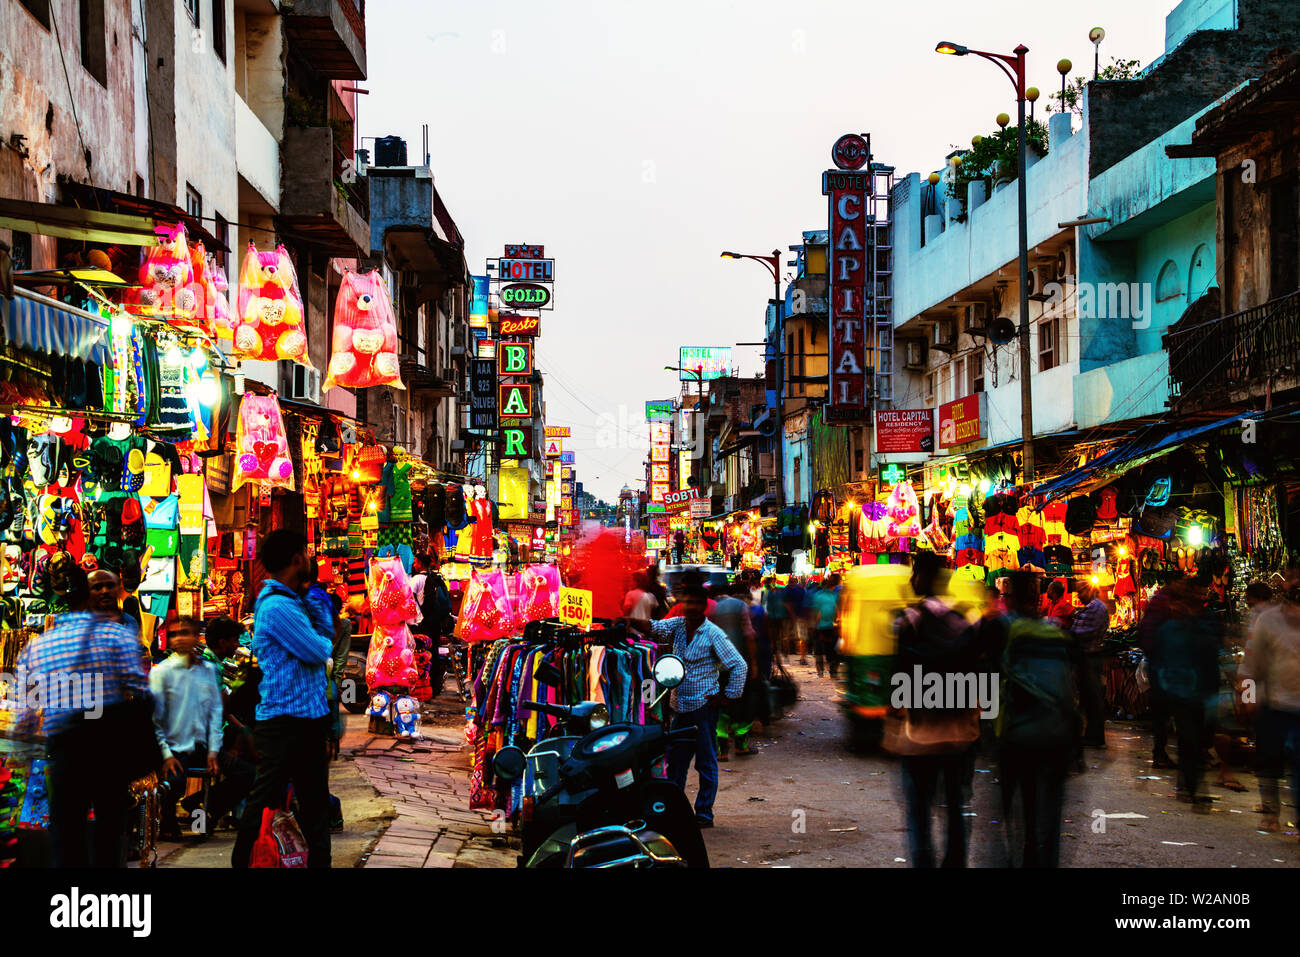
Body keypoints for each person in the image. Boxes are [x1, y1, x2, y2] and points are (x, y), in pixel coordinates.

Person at [15, 564, 150, 867]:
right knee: (108, 830)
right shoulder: (115, 636)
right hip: (106, 746)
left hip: (62, 747)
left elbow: (26, 711)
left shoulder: (40, 644)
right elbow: (139, 687)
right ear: (88, 598)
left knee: (66, 830)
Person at [231, 530, 335, 869]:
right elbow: (319, 650)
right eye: (305, 553)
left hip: (304, 717)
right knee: (267, 798)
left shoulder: (291, 601)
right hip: (287, 720)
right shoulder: (278, 606)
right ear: (295, 560)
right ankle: (243, 859)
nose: (309, 559)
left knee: (313, 802)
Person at [624, 582, 745, 827]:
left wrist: (727, 696)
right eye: (687, 602)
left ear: (704, 607)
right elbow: (655, 627)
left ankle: (704, 813)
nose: (691, 607)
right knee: (676, 765)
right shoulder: (677, 626)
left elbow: (738, 665)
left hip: (703, 709)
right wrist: (626, 619)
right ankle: (675, 809)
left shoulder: (713, 634)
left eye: (696, 603)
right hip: (679, 707)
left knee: (706, 763)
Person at [892, 553, 979, 868]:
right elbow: (980, 679)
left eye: (914, 574)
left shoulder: (909, 621)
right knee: (956, 806)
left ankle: (924, 863)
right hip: (958, 738)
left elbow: (898, 684)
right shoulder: (963, 620)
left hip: (920, 738)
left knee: (919, 811)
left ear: (921, 579)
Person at [995, 571, 1081, 868]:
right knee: (1048, 817)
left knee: (1011, 811)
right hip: (1056, 736)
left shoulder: (1004, 630)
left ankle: (1014, 857)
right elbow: (1072, 686)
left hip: (1018, 735)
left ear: (1012, 598)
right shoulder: (1056, 632)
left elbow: (989, 682)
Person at [1148, 576, 1221, 806]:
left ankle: (1189, 784)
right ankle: (1190, 786)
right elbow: (1159, 657)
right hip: (1182, 691)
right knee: (1190, 738)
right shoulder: (1172, 628)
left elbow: (1211, 653)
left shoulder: (1202, 623)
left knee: (1198, 739)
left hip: (1200, 690)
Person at [150, 617, 223, 840]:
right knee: (174, 783)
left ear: (196, 637)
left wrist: (213, 751)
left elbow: (215, 712)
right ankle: (170, 823)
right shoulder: (161, 672)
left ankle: (199, 810)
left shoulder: (208, 670)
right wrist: (165, 755)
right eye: (174, 634)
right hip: (174, 748)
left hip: (201, 746)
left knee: (244, 773)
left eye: (185, 632)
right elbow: (155, 719)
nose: (180, 638)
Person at [1239, 574, 1300, 832]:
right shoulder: (1268, 621)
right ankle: (1271, 811)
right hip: (1272, 704)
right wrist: (1248, 699)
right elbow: (1250, 666)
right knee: (1269, 760)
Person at [710, 581, 760, 759]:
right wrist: (753, 663)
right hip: (738, 665)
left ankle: (721, 750)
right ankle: (741, 745)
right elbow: (749, 635)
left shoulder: (715, 609)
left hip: (719, 665)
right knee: (742, 704)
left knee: (721, 705)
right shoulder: (741, 606)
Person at [1070, 583, 1110, 748]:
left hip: (1090, 657)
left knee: (1093, 698)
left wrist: (1068, 634)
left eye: (1080, 592)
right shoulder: (1091, 607)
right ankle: (1090, 735)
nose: (1078, 595)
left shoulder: (1096, 607)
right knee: (1088, 697)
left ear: (1089, 590)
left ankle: (1095, 736)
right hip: (1087, 657)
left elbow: (1086, 631)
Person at [810, 574, 841, 679]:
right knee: (832, 650)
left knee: (821, 650)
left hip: (824, 627)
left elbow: (816, 612)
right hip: (829, 627)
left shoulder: (819, 595)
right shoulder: (833, 595)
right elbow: (837, 611)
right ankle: (831, 671)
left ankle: (821, 672)